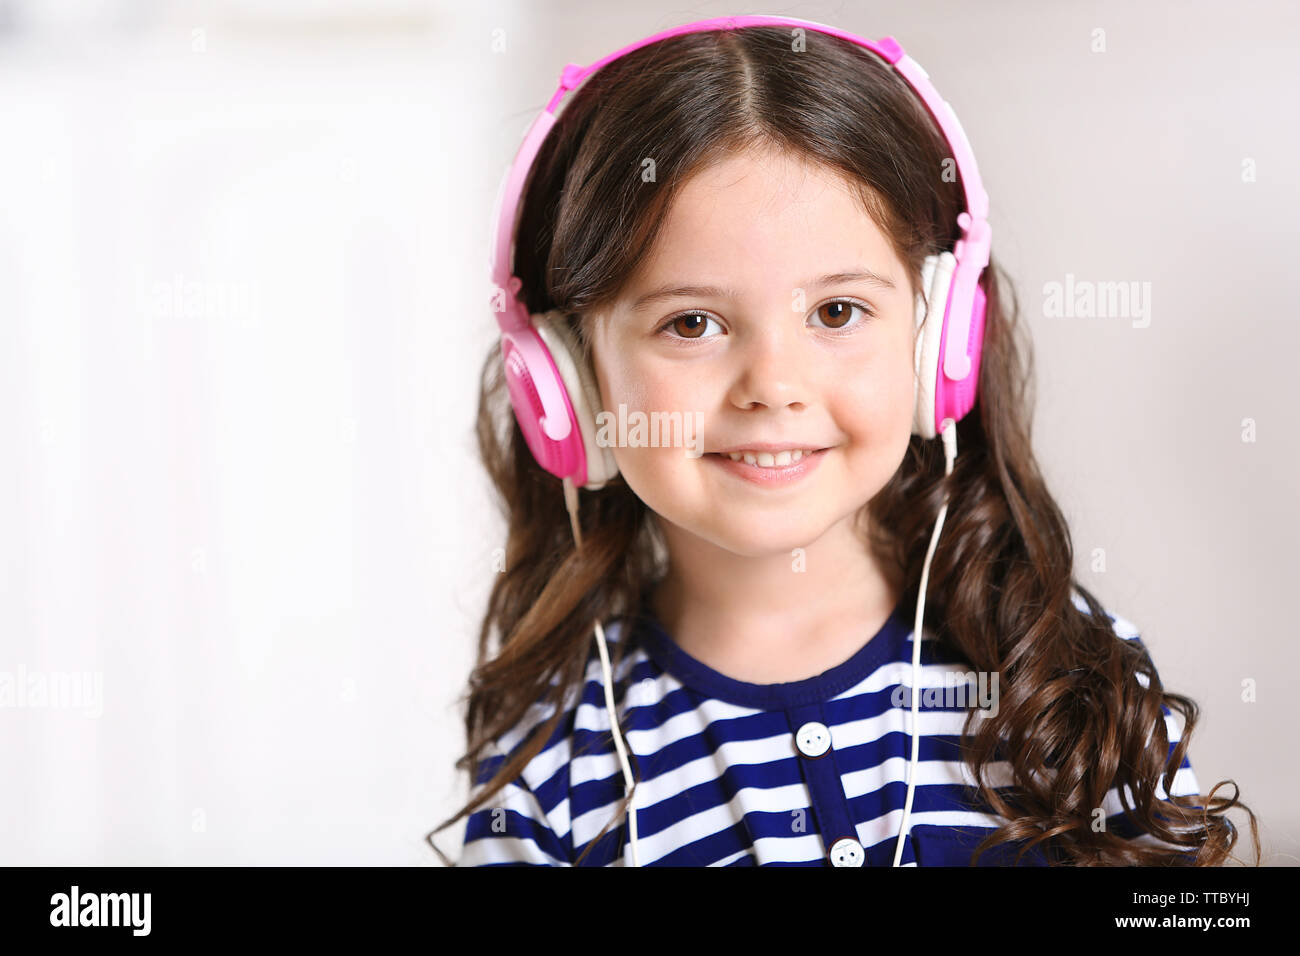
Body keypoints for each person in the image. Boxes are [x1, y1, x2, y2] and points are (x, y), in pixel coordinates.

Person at [428, 17, 1258, 866]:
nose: (772, 385)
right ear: (566, 375)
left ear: (940, 344)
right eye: (692, 322)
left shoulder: (1059, 674)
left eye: (836, 312)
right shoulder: (555, 766)